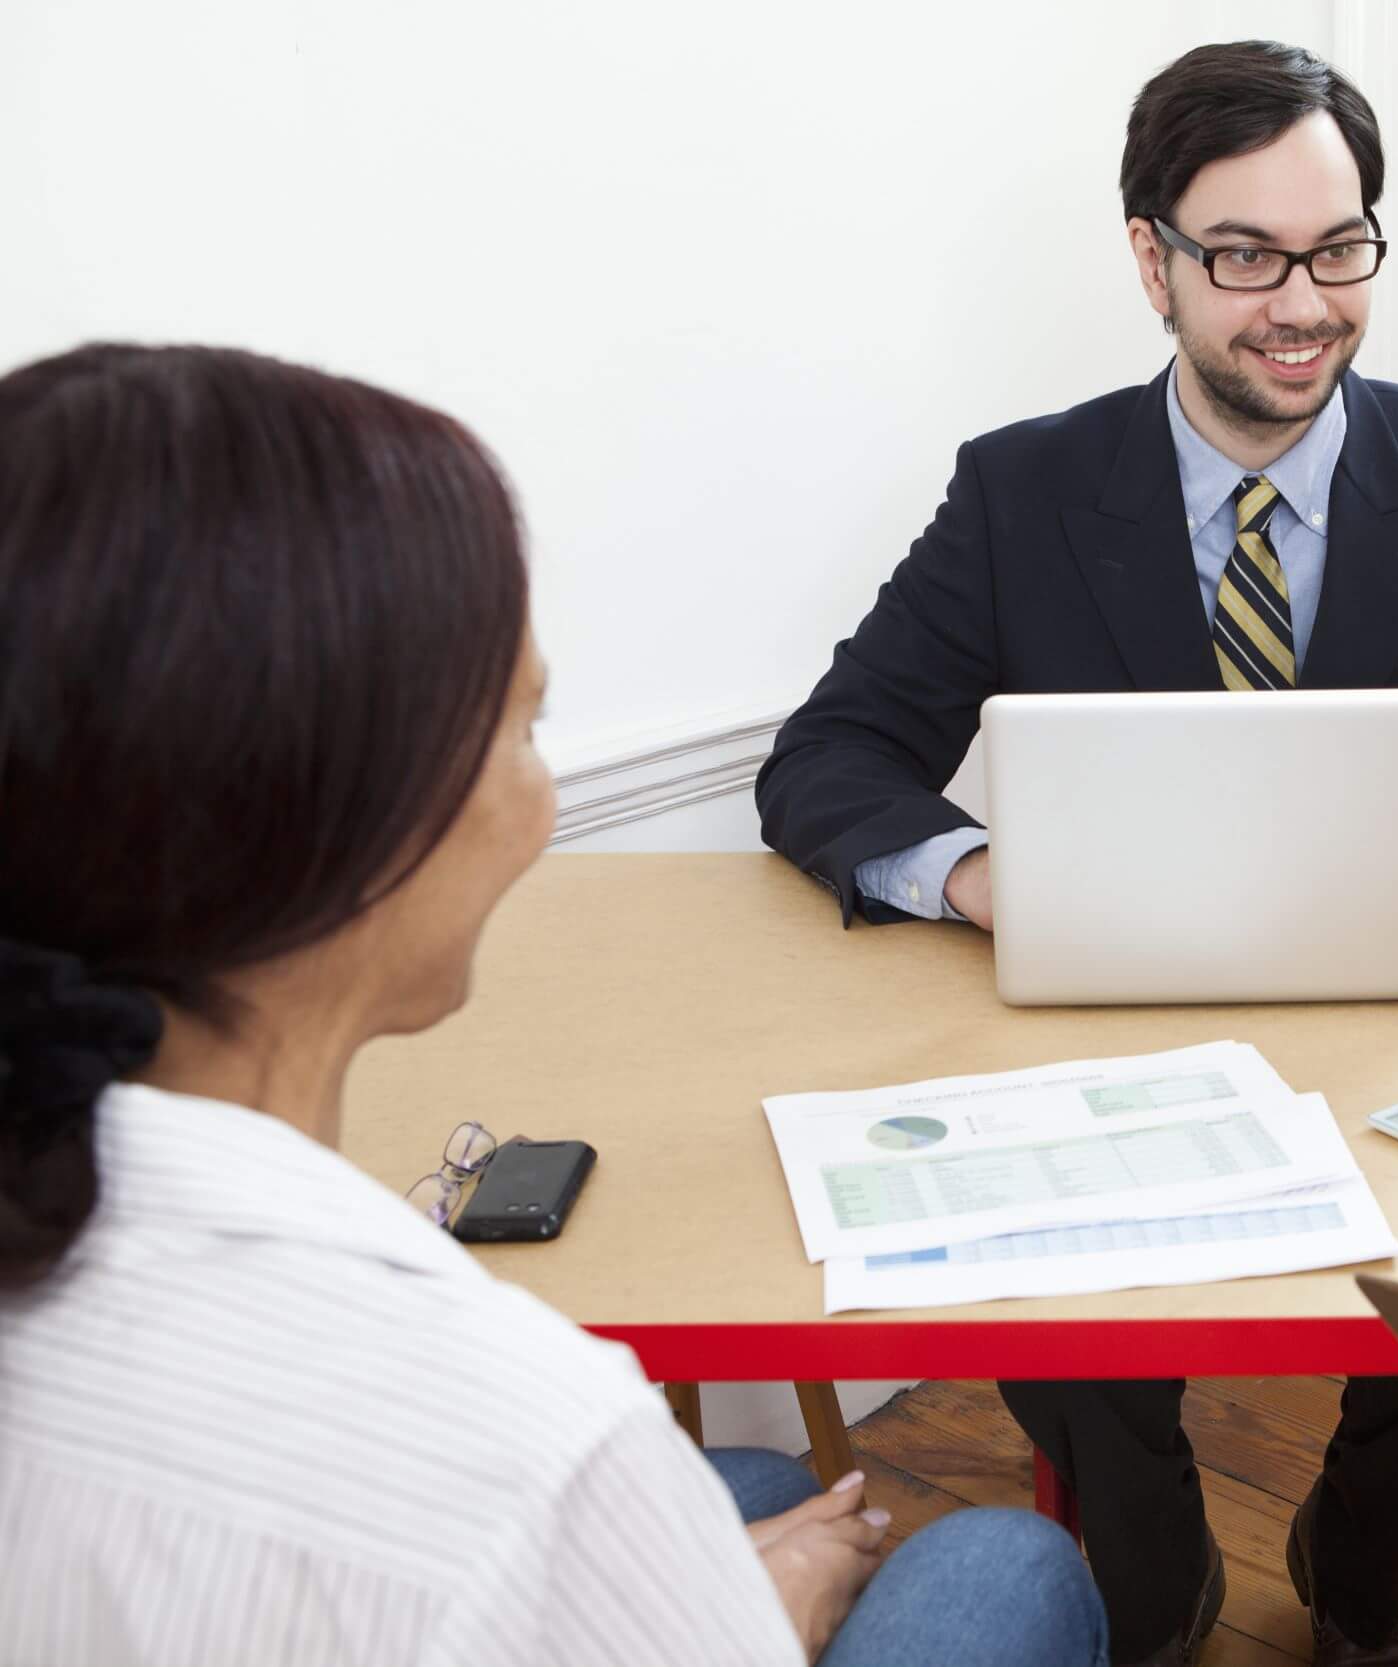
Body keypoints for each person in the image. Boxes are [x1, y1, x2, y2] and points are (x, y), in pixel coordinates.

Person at [753, 38, 1398, 1667]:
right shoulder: (1023, 490)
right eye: (1246, 256)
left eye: (1339, 250)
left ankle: (1357, 1578)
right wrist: (986, 881)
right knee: (1067, 1338)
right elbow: (832, 758)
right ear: (1154, 262)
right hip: (1109, 1048)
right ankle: (1153, 1587)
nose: (1303, 302)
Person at [0, 343, 1106, 1667]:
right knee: (1011, 1560)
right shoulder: (527, 1440)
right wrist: (727, 1628)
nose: (542, 810)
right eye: (528, 728)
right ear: (347, 826)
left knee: (751, 1497)